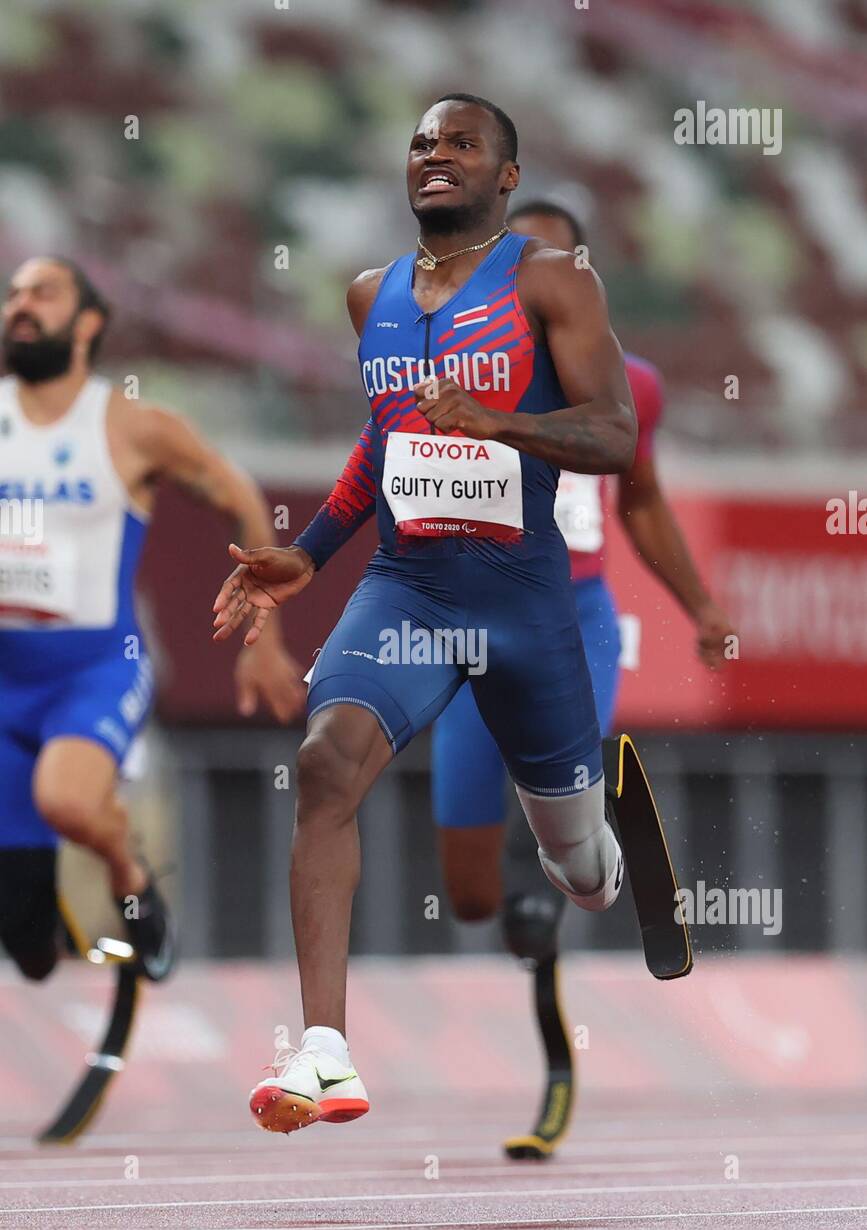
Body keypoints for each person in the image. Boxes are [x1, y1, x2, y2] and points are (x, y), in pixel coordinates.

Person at [213, 94, 638, 1134]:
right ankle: (324, 1051)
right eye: (419, 142)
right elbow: (383, 440)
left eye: (460, 143)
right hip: (410, 587)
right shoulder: (371, 296)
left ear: (505, 176)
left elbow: (616, 433)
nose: (434, 154)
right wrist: (308, 556)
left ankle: (594, 854)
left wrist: (494, 418)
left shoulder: (552, 281)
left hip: (525, 602)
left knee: (579, 872)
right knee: (325, 764)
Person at [428, 199, 735, 1153]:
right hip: (474, 627)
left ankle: (577, 847)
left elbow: (640, 502)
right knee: (478, 899)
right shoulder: (446, 373)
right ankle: (564, 853)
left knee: (533, 871)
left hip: (575, 621)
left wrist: (700, 606)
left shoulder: (629, 385)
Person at [0, 256, 305, 983]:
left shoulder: (132, 426)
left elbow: (242, 497)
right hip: (5, 676)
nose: (20, 305)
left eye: (42, 293)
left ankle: (128, 872)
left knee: (68, 801)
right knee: (30, 949)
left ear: (88, 324)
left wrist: (266, 636)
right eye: (12, 294)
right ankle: (50, 922)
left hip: (92, 670)